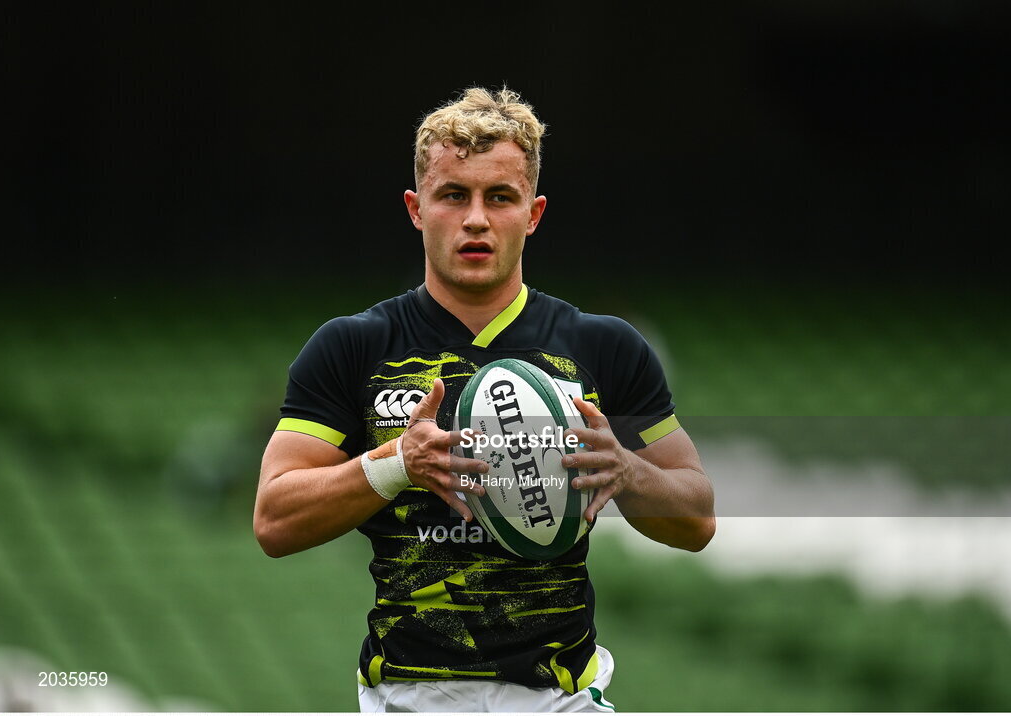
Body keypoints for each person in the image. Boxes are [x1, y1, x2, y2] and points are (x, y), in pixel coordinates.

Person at [253, 86, 715, 713]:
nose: (476, 219)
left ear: (534, 213)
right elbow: (274, 520)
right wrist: (397, 463)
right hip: (408, 696)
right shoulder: (352, 346)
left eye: (499, 197)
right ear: (416, 209)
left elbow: (697, 519)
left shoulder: (605, 346)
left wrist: (626, 471)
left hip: (562, 699)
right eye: (453, 195)